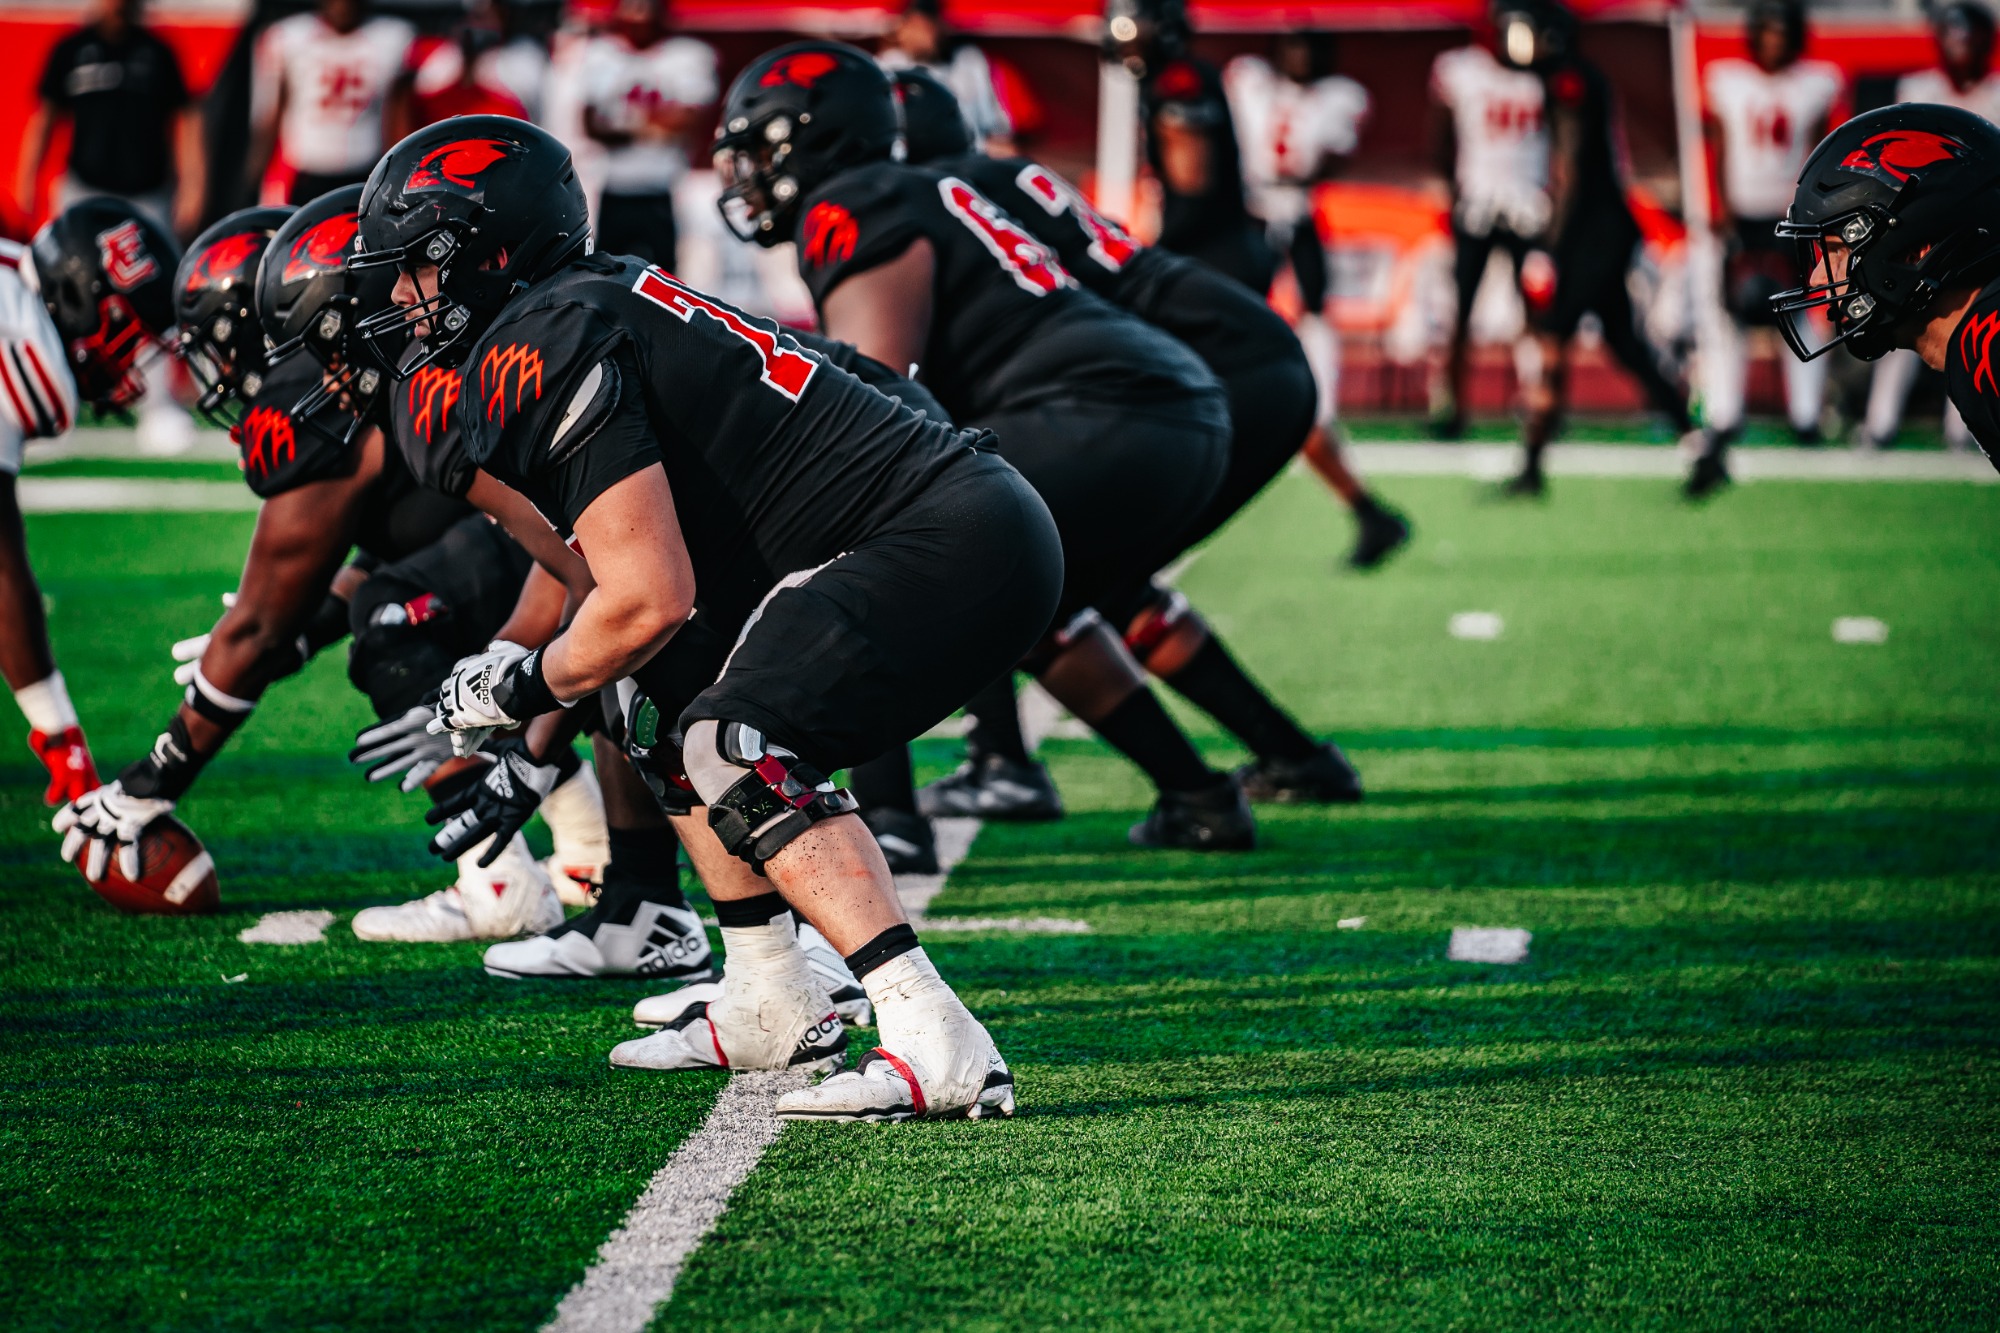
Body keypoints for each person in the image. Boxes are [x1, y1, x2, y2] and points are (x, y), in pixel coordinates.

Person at [352, 113, 1064, 1120]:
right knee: (651, 700)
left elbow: (646, 595)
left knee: (735, 739)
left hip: (942, 536)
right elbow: (621, 605)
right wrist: (532, 724)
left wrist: (512, 687)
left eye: (416, 265)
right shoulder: (585, 302)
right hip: (946, 519)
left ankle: (928, 1031)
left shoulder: (545, 336)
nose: (400, 295)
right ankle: (768, 987)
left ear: (488, 250)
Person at [723, 43, 1286, 851]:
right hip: (1167, 410)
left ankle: (890, 818)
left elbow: (870, 403)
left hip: (1103, 409)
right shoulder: (925, 187)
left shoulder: (855, 200)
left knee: (867, 546)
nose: (745, 174)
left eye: (761, 148)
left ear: (820, 140)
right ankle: (1198, 796)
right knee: (1036, 604)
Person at [53, 194, 609, 943]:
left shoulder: (324, 393)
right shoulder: (400, 384)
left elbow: (260, 623)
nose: (221, 374)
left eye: (223, 346)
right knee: (415, 608)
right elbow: (409, 543)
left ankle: (499, 876)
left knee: (394, 620)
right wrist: (305, 631)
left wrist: (151, 779)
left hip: (597, 550)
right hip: (581, 541)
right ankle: (592, 857)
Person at [889, 67, 1365, 823]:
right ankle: (1288, 756)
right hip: (1233, 353)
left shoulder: (924, 207)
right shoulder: (997, 176)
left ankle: (1015, 764)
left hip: (1194, 376)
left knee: (1005, 557)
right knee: (1087, 580)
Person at [2, 200, 179, 812]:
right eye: (127, 332)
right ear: (81, 299)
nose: (132, 364)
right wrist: (60, 736)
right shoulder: (21, 342)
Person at [1496, 0, 1698, 498]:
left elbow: (1571, 170)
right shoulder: (1570, 77)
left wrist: (1549, 245)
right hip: (1603, 229)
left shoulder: (1568, 81)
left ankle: (1531, 464)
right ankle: (1699, 445)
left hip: (1591, 234)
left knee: (1551, 338)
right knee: (1625, 345)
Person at [1771, 103, 2000, 473]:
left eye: (1838, 250)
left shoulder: (1989, 345)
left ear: (1915, 250)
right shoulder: (1973, 346)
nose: (1816, 279)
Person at [1701, 0, 1845, 457]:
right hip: (1742, 212)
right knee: (1731, 313)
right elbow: (1721, 146)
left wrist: (1814, 211)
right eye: (1767, 31)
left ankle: (1805, 414)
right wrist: (1721, 208)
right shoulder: (1729, 82)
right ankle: (1725, 413)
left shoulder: (1815, 83)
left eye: (1782, 32)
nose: (1774, 41)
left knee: (1801, 311)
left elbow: (1820, 151)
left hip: (1791, 215)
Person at [1860, 1, 1998, 452]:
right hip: (1923, 228)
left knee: (1972, 322)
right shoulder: (1920, 86)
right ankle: (1881, 422)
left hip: (1982, 230)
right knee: (1903, 315)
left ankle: (1968, 427)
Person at [1428, 16, 1550, 441]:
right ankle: (1452, 405)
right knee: (1460, 311)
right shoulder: (1462, 71)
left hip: (1530, 206)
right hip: (1477, 205)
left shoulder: (1544, 74)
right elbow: (1441, 141)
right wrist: (1453, 193)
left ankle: (1537, 405)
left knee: (1536, 312)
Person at [20, 0, 205, 242]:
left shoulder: (158, 52)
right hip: (83, 191)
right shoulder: (71, 49)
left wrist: (194, 190)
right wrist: (27, 181)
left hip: (149, 197)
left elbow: (189, 122)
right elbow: (44, 119)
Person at [582, 0, 717, 270]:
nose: (638, 18)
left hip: (664, 186)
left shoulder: (686, 55)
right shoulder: (602, 55)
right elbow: (591, 124)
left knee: (666, 278)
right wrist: (652, 124)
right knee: (607, 275)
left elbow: (687, 122)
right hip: (615, 187)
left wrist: (625, 122)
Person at [246, 0, 416, 205]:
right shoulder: (289, 38)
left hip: (367, 170)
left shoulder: (392, 38)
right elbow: (272, 115)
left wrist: (400, 172)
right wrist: (253, 178)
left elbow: (398, 117)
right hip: (305, 172)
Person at [877, 0, 1014, 155]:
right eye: (915, 27)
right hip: (911, 159)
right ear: (901, 29)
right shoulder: (888, 66)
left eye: (928, 27)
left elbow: (999, 132)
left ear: (941, 27)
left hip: (967, 157)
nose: (923, 35)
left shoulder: (969, 61)